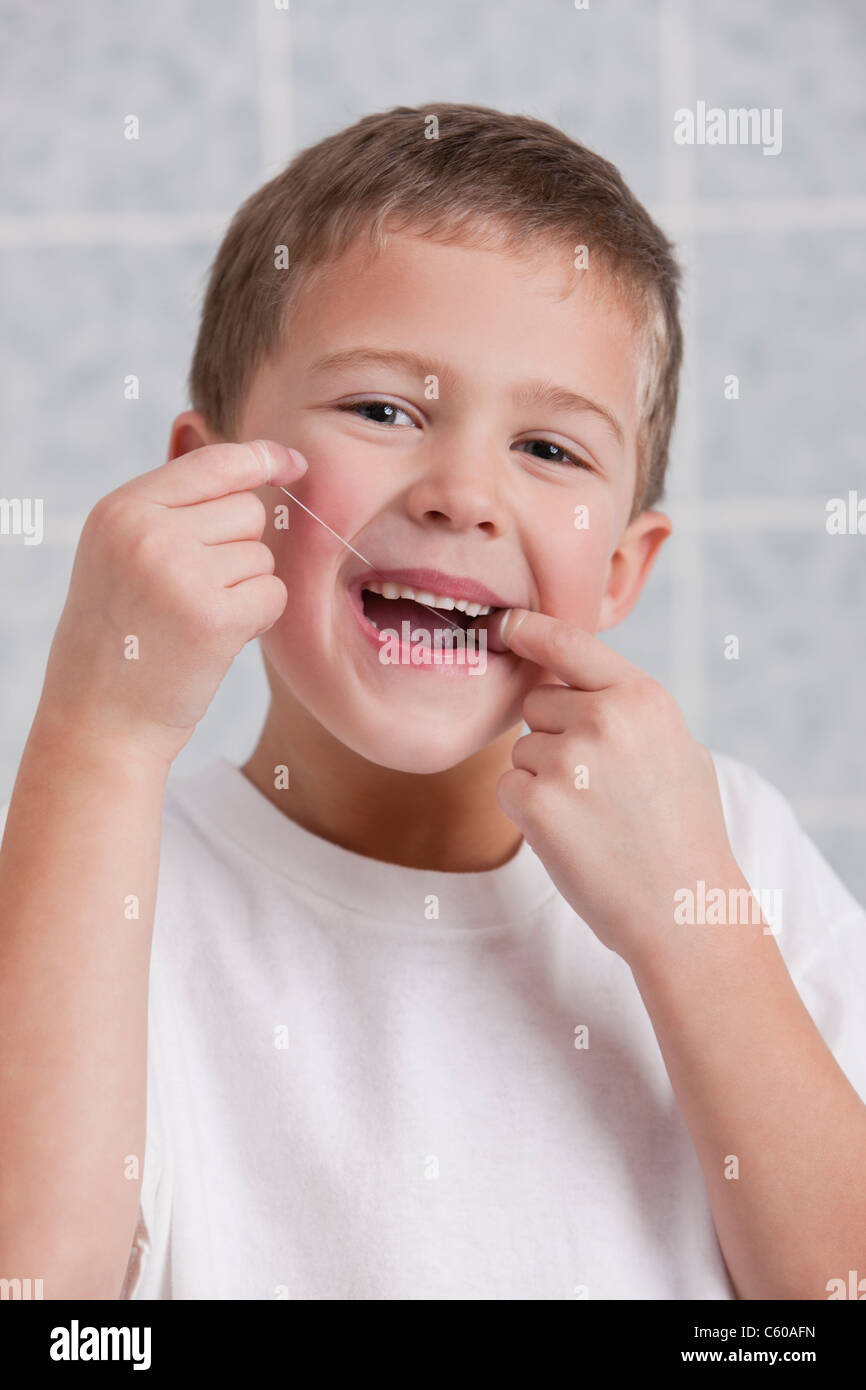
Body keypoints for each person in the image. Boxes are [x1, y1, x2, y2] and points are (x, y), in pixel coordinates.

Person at [1, 103, 864, 1302]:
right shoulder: (107, 876)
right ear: (214, 486)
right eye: (383, 411)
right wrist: (96, 736)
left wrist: (689, 934)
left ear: (621, 566)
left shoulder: (733, 853)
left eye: (550, 450)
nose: (463, 493)